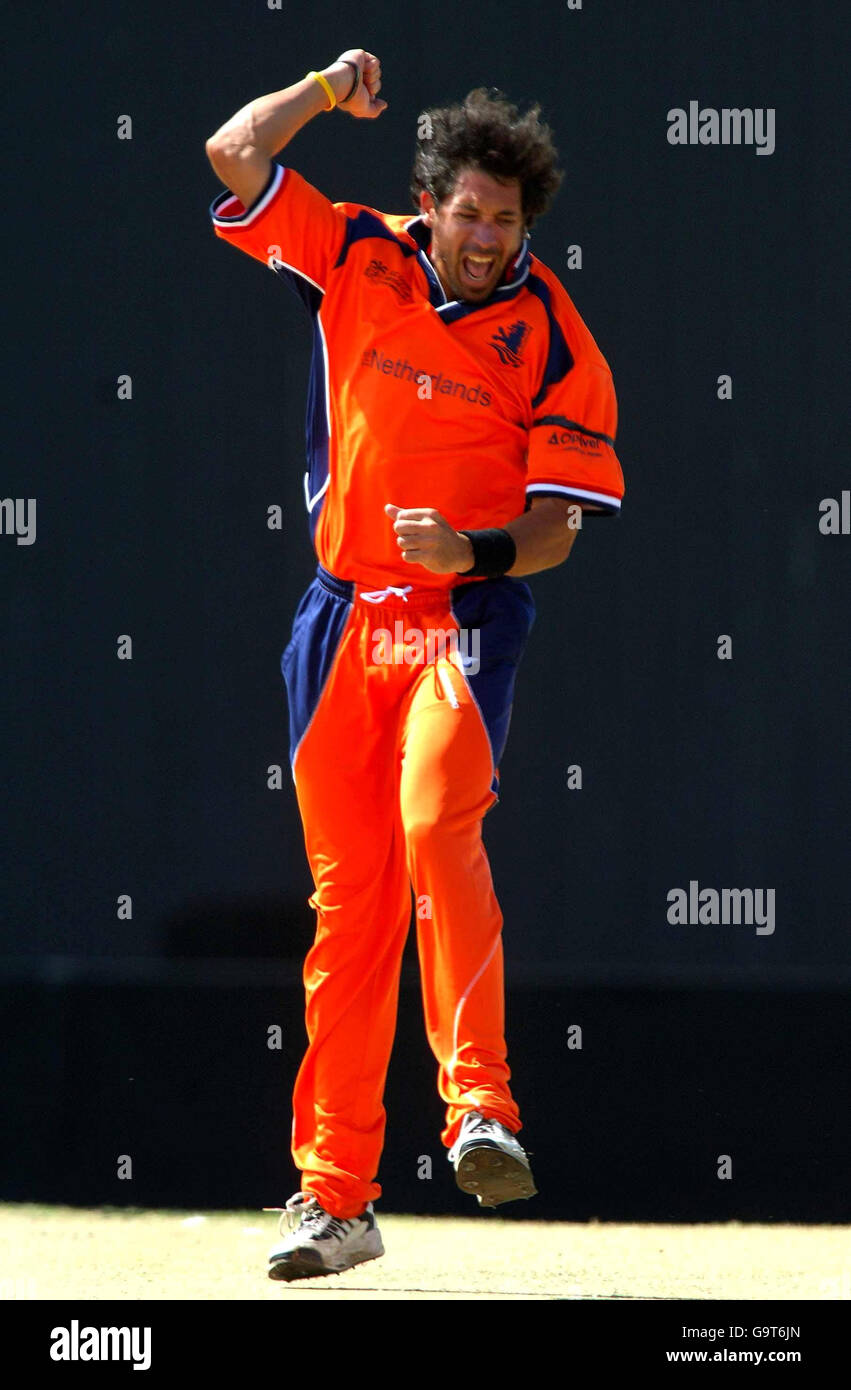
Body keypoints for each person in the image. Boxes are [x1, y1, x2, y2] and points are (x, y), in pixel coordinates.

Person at [206, 49, 625, 1282]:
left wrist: (473, 546)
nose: (489, 236)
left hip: (460, 617)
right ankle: (335, 1201)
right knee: (352, 915)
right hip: (342, 624)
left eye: (509, 219)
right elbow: (233, 157)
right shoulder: (356, 252)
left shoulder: (550, 335)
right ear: (428, 199)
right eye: (471, 212)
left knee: (440, 822)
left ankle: (479, 1109)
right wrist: (322, 92)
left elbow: (556, 530)